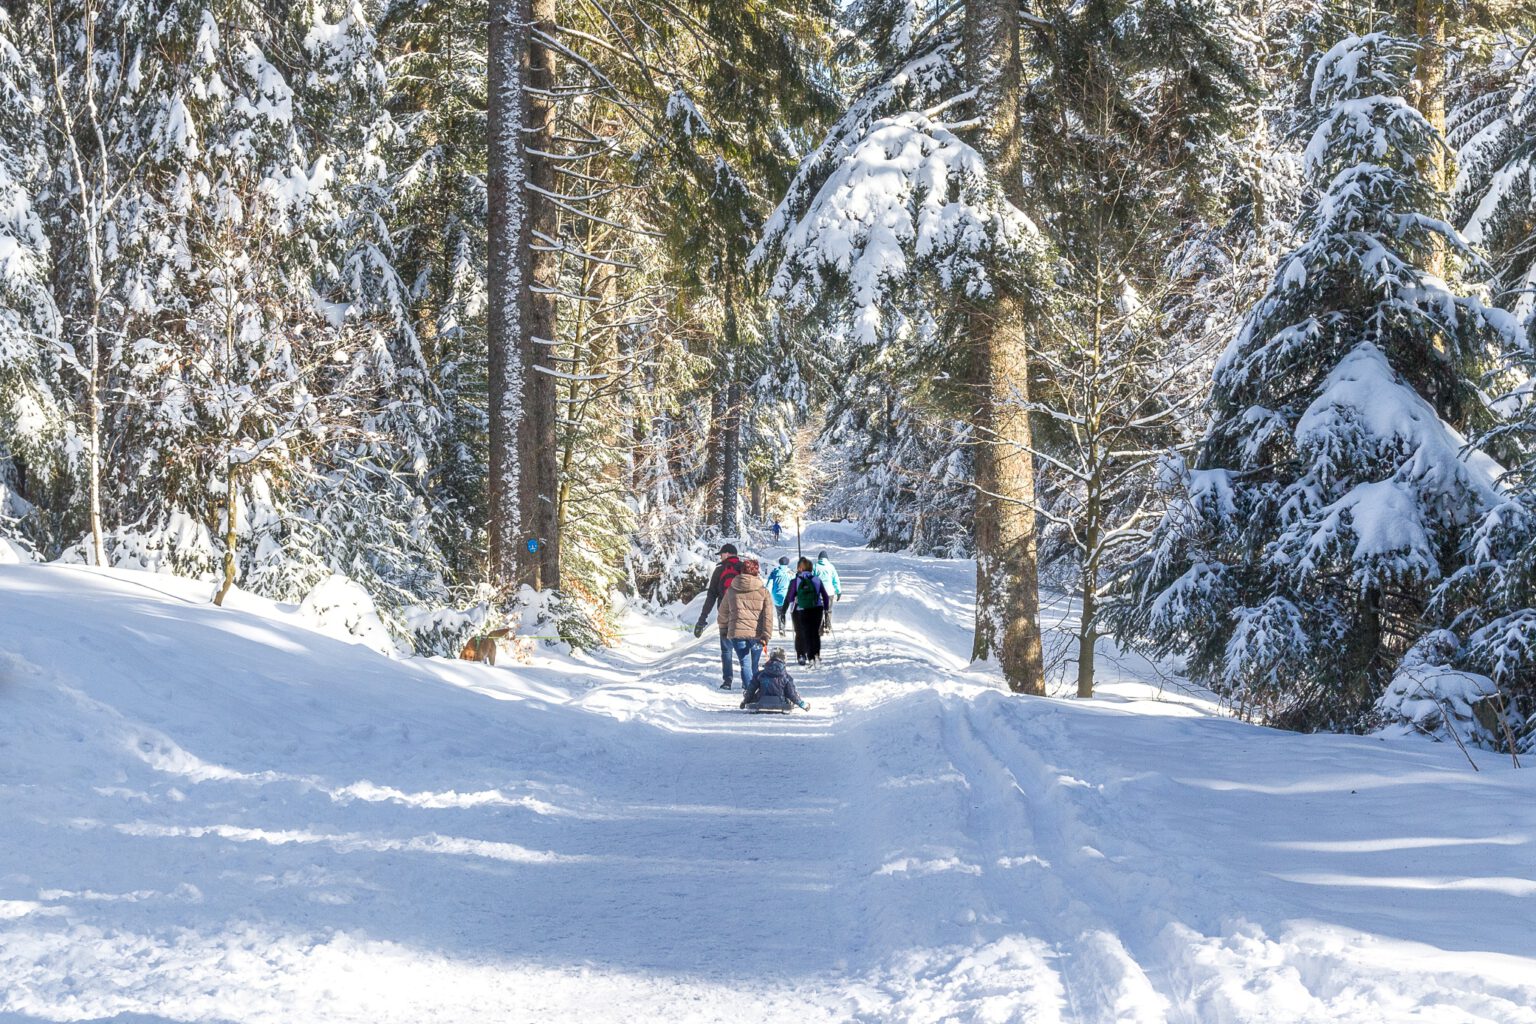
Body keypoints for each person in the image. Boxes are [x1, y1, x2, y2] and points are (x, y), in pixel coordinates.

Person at [716, 559, 772, 690]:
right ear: (756, 571)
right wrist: (766, 635)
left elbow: (723, 612)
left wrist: (723, 628)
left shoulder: (731, 589)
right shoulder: (763, 591)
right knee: (754, 664)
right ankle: (756, 692)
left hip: (737, 633)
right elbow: (768, 616)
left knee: (745, 663)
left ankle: (749, 692)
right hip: (757, 635)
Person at [694, 543, 743, 689]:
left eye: (721, 554)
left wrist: (702, 619)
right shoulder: (744, 569)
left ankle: (727, 681)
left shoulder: (720, 570)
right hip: (742, 615)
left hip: (725, 614)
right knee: (743, 650)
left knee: (727, 650)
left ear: (727, 554)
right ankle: (748, 682)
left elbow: (711, 596)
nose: (721, 556)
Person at [786, 556, 831, 666]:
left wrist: (793, 606)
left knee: (800, 633)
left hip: (801, 610)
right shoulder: (817, 580)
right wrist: (825, 608)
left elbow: (790, 597)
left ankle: (801, 655)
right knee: (814, 633)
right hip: (816, 609)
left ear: (800, 568)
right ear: (811, 568)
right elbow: (825, 596)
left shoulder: (796, 581)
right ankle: (814, 655)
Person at [741, 649, 809, 711]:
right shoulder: (787, 677)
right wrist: (802, 704)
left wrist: (745, 701)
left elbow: (751, 690)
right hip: (781, 701)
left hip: (761, 699)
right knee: (791, 692)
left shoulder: (759, 675)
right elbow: (792, 694)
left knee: (751, 693)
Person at [814, 550, 843, 632]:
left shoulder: (815, 566)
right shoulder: (831, 567)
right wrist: (838, 591)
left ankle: (820, 627)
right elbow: (835, 580)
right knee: (828, 609)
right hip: (829, 592)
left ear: (819, 558)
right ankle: (828, 626)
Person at [765, 555, 793, 635]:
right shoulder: (790, 573)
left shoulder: (774, 572)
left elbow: (769, 584)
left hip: (776, 596)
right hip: (787, 596)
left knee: (780, 612)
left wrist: (766, 593)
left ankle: (781, 628)